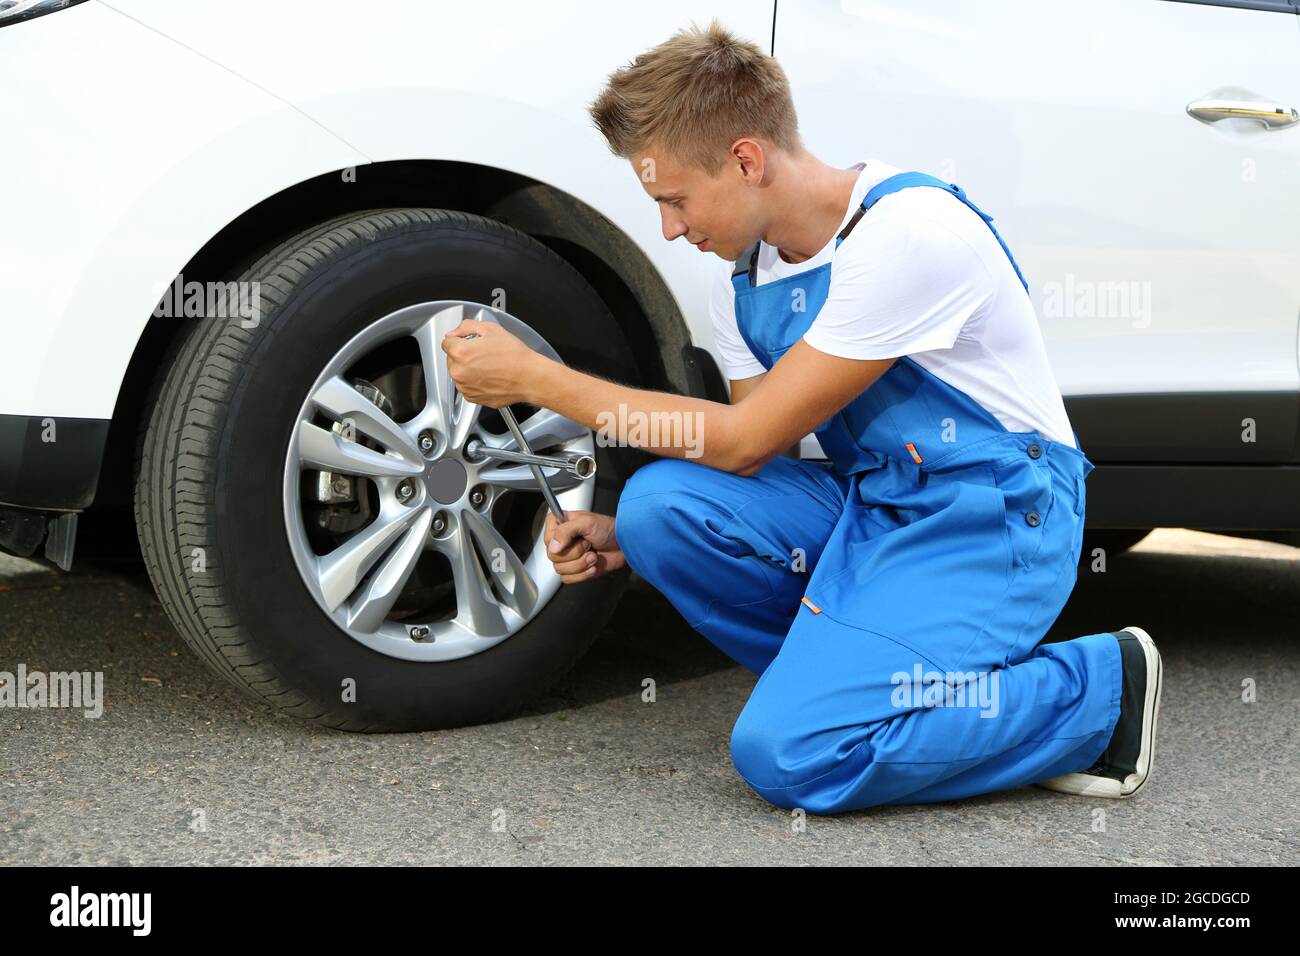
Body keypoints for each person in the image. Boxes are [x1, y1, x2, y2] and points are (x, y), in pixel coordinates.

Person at [441, 19, 1162, 814]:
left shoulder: (905, 238)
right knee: (657, 510)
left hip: (992, 515)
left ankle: (1094, 695)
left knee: (793, 757)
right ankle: (869, 688)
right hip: (875, 504)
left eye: (675, 199)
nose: (670, 228)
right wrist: (624, 540)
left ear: (746, 159)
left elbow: (743, 437)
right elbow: (752, 459)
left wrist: (540, 380)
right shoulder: (743, 278)